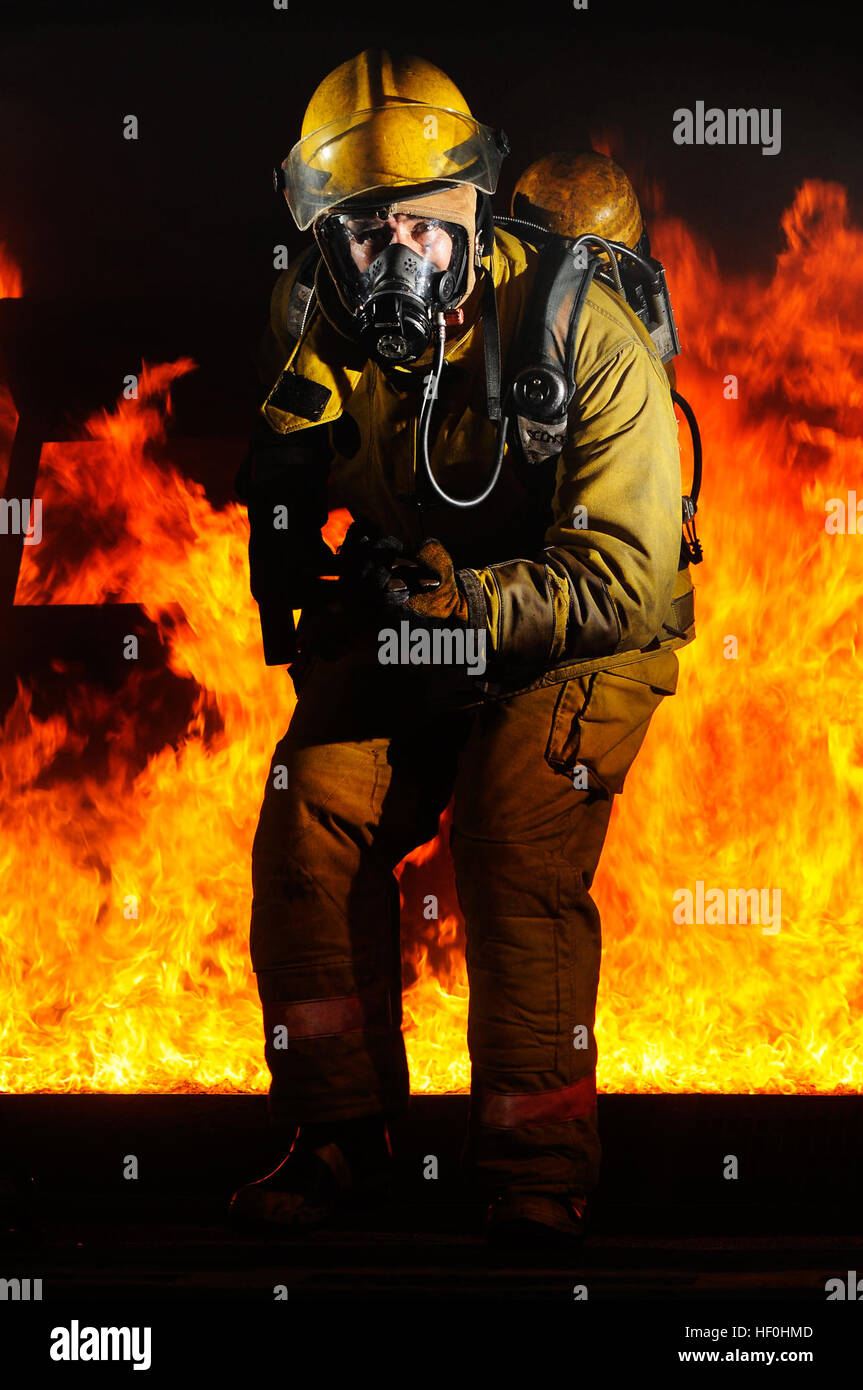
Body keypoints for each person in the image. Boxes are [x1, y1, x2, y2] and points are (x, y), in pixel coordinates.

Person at [230, 49, 695, 1249]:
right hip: (422, 622)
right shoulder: (323, 315)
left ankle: (535, 1175)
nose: (397, 262)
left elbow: (629, 582)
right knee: (306, 822)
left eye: (422, 230)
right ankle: (339, 1136)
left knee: (508, 841)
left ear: (470, 209)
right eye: (363, 235)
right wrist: (308, 590)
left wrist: (472, 609)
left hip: (575, 638)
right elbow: (286, 453)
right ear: (326, 238)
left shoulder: (582, 337)